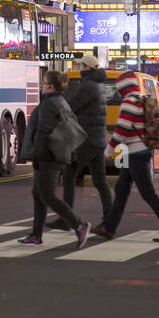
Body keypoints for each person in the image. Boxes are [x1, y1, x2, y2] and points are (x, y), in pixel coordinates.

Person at [92, 72, 159, 243]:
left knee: (148, 193)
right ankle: (109, 228)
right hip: (141, 151)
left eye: (118, 89)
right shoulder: (142, 98)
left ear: (124, 88)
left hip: (136, 153)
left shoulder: (129, 102)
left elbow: (122, 129)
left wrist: (108, 151)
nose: (118, 93)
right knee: (121, 189)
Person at [15, 70, 91, 248]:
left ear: (50, 86)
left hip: (48, 155)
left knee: (47, 195)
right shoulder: (60, 101)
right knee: (38, 195)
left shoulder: (50, 103)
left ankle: (79, 225)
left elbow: (43, 130)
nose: (42, 85)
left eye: (44, 82)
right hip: (53, 153)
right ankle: (36, 235)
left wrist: (35, 153)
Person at [54, 54, 111, 227]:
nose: (78, 69)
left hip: (86, 140)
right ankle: (109, 219)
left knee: (69, 175)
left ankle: (67, 218)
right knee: (100, 181)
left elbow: (70, 106)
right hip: (97, 140)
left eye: (81, 66)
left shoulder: (87, 86)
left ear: (88, 68)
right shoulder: (98, 85)